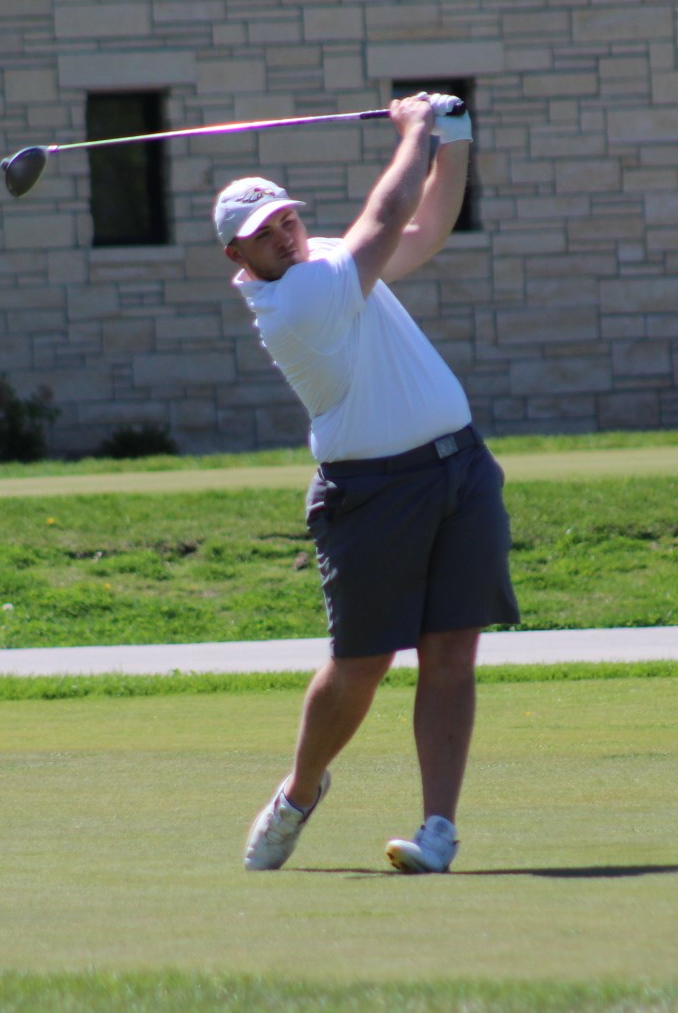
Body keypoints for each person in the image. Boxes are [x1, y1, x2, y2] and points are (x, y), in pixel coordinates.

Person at [220, 93, 521, 874]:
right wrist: (415, 130)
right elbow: (386, 222)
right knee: (363, 662)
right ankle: (299, 793)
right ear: (239, 258)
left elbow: (421, 230)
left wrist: (452, 142)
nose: (284, 234)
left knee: (453, 650)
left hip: (460, 469)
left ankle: (439, 830)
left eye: (286, 217)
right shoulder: (293, 301)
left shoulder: (323, 261)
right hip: (372, 491)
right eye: (263, 234)